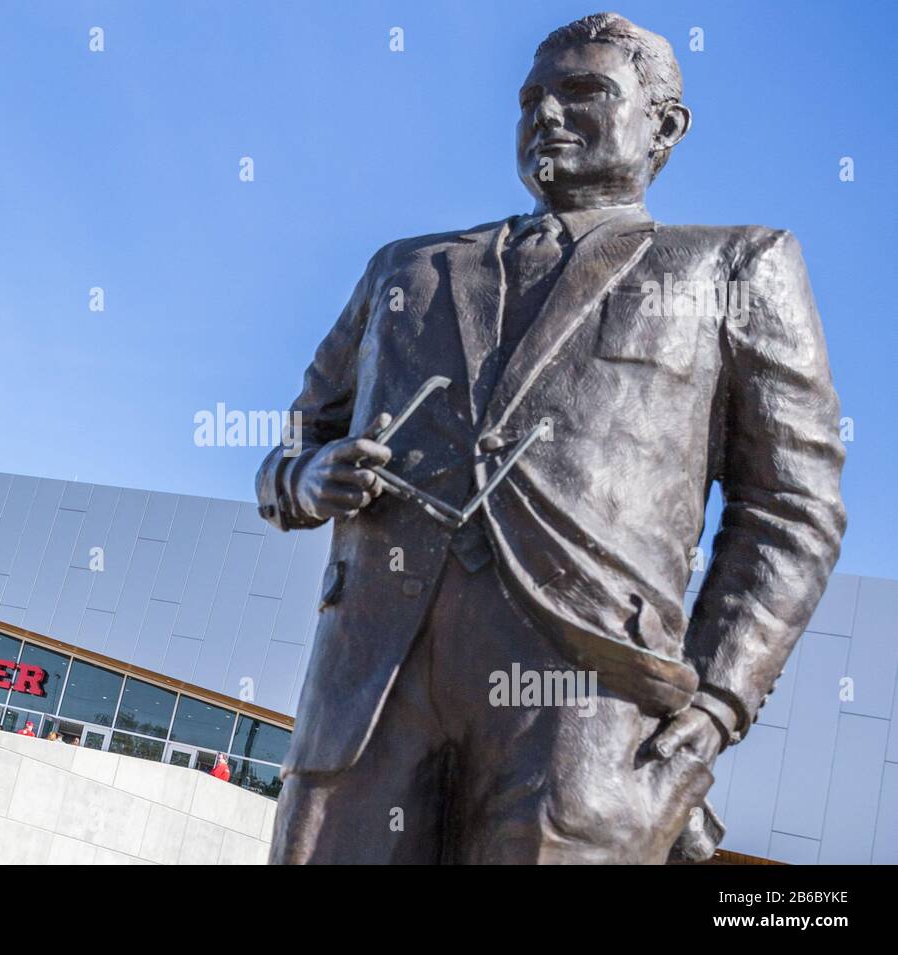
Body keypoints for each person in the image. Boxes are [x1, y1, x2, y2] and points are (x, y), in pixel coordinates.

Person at [256, 13, 845, 864]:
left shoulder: (735, 266)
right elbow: (293, 443)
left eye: (585, 92)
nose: (547, 114)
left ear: (665, 125)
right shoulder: (407, 270)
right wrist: (307, 478)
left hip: (589, 709)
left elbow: (793, 512)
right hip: (369, 698)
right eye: (531, 97)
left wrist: (716, 705)